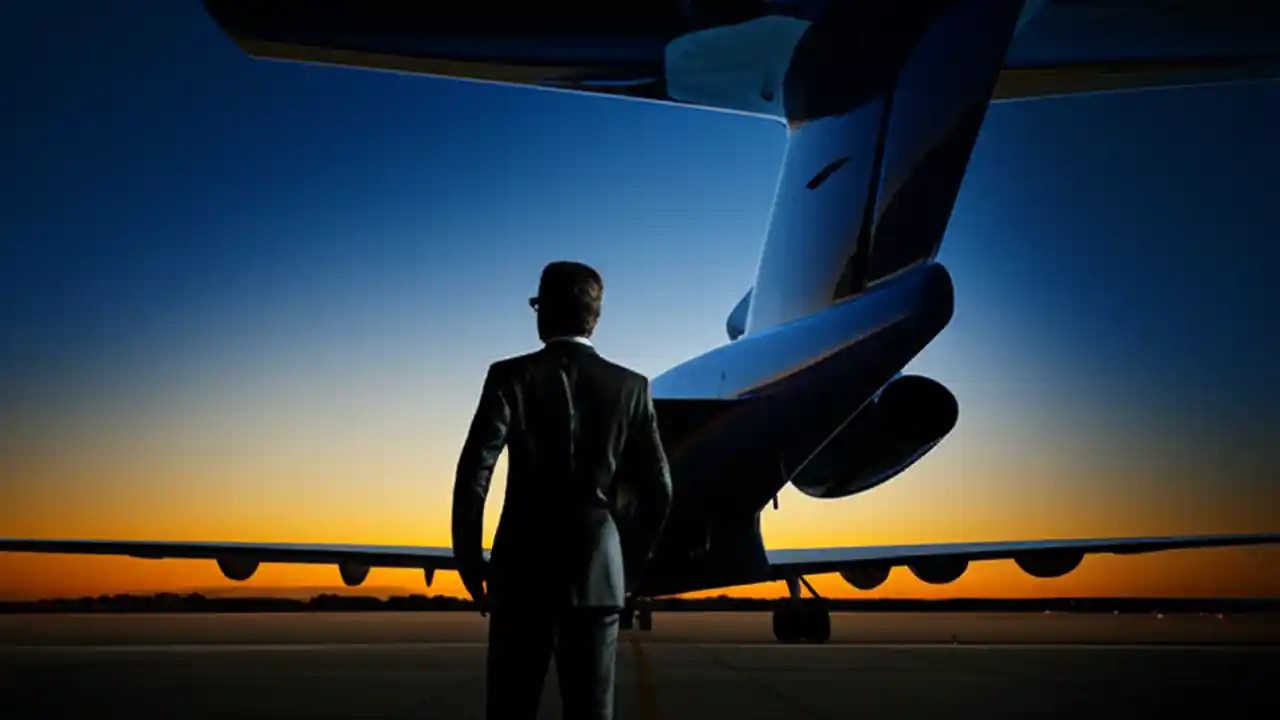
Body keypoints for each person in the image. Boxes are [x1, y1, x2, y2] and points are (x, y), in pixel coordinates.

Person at [452, 260, 673, 720]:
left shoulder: (508, 377)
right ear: (595, 316)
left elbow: (476, 472)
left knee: (511, 708)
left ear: (543, 311)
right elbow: (660, 491)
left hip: (521, 573)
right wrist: (627, 569)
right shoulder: (632, 387)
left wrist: (470, 561)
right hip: (599, 573)